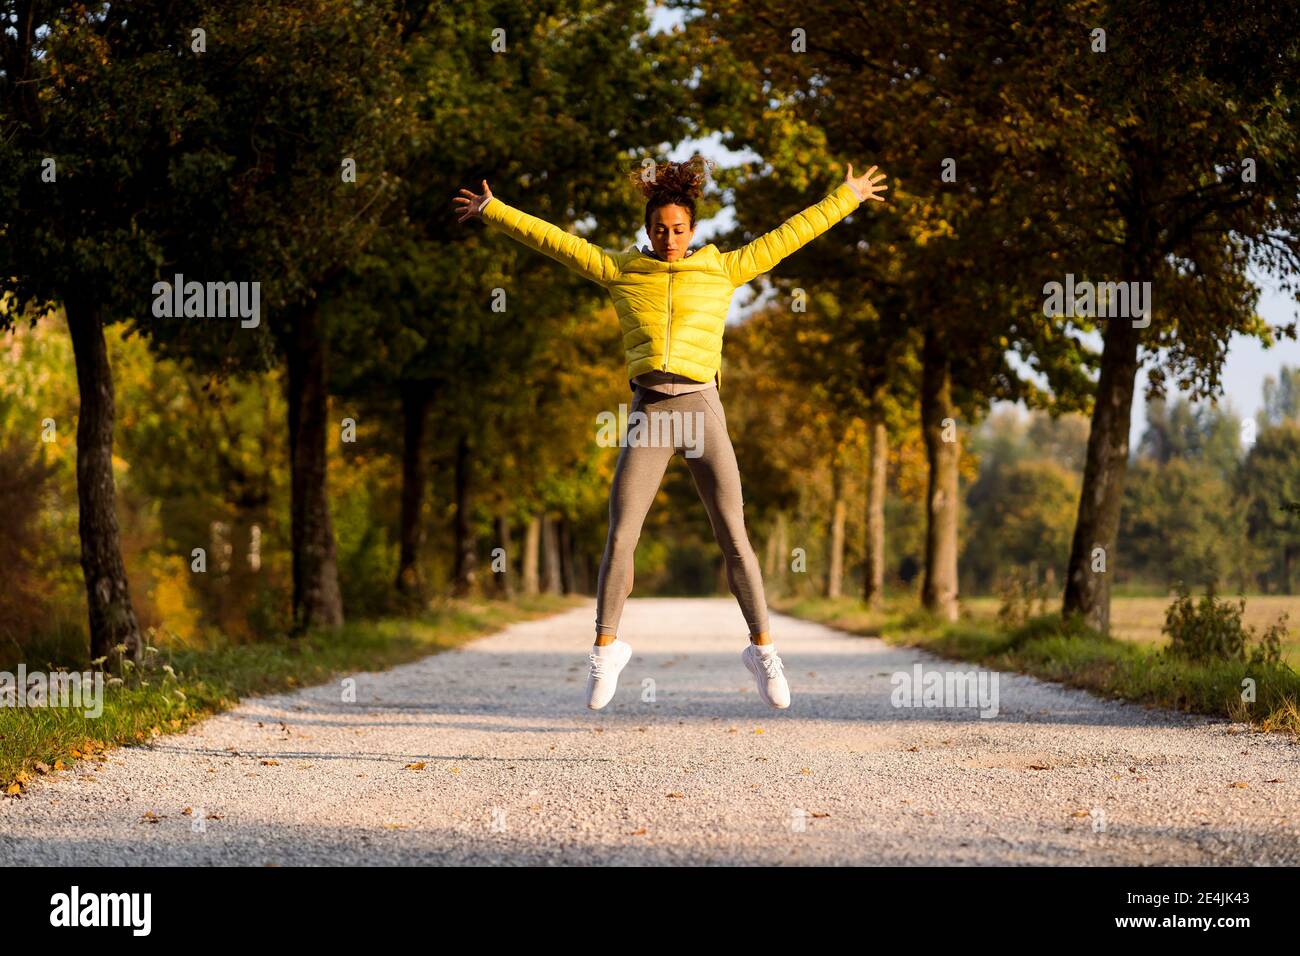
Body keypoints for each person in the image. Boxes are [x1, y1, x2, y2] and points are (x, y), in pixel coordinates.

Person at [453, 154, 887, 711]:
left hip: (702, 406)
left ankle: (763, 649)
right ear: (646, 229)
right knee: (622, 533)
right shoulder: (621, 270)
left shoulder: (724, 269)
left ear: (694, 230)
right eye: (659, 229)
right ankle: (606, 648)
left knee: (734, 535)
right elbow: (556, 242)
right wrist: (494, 210)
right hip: (651, 410)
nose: (669, 239)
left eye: (679, 229)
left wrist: (846, 197)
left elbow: (789, 235)